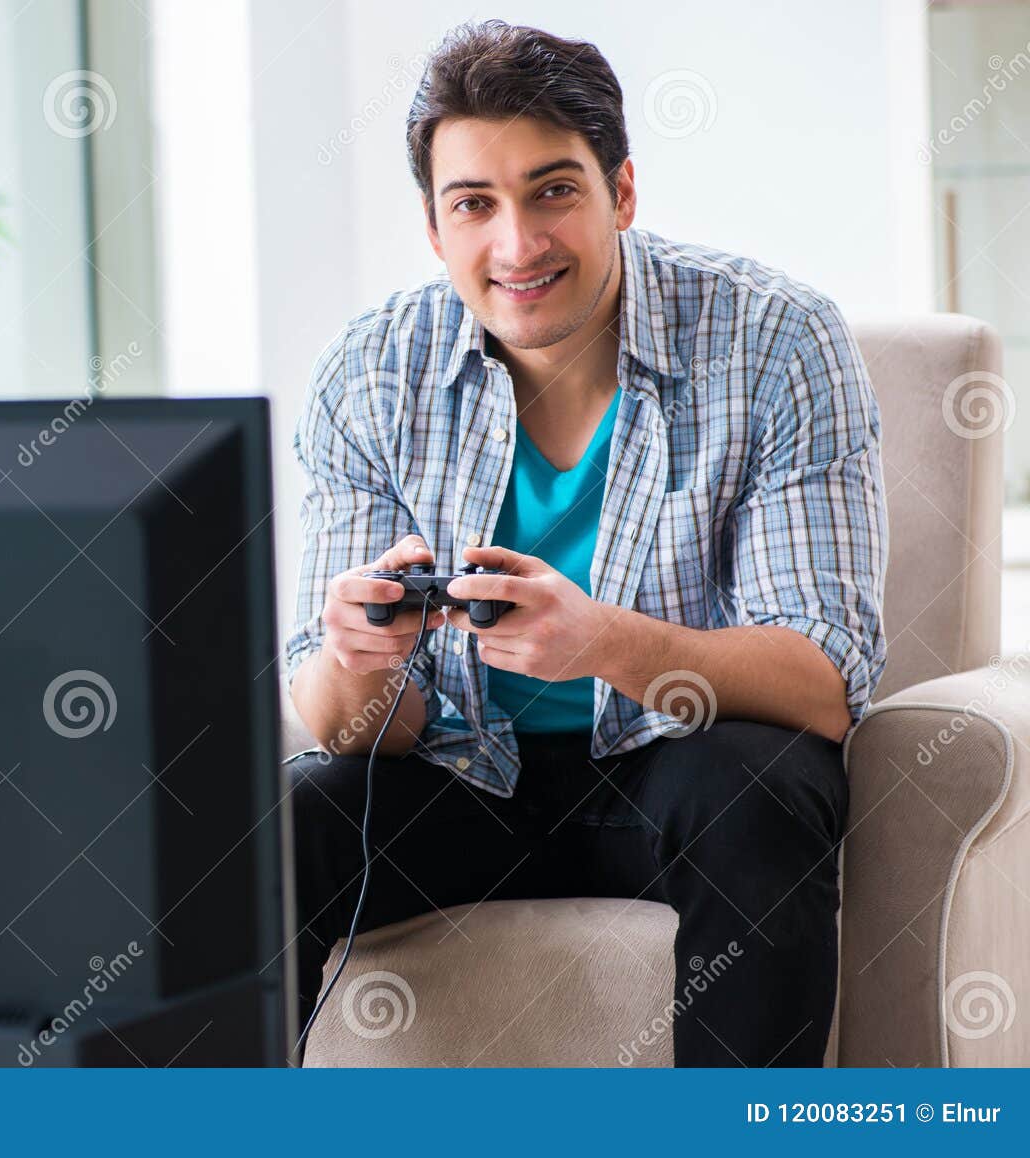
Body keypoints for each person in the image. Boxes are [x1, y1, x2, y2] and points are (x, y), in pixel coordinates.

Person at [283, 19, 887, 1067]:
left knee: (755, 786)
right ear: (433, 228)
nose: (517, 245)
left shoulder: (778, 338)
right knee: (269, 833)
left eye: (554, 190)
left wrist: (603, 642)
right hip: (463, 780)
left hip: (678, 768)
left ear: (623, 193)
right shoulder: (371, 371)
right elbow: (344, 730)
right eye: (474, 204)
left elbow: (822, 680)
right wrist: (357, 660)